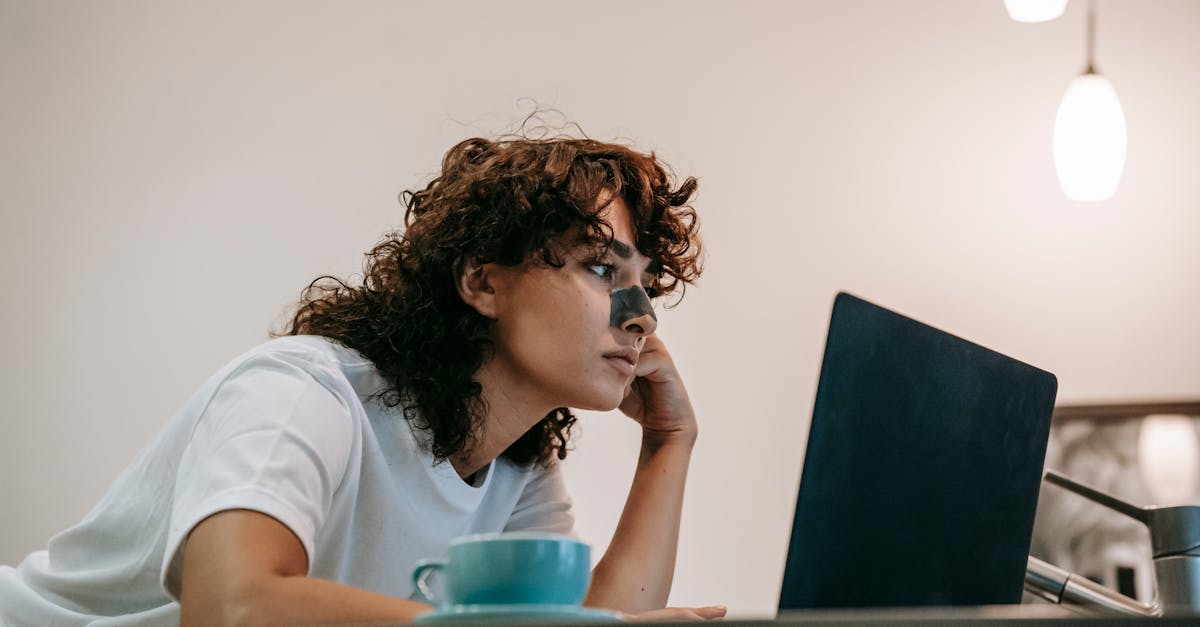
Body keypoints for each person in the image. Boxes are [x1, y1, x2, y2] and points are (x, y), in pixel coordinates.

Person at [0, 134, 727, 625]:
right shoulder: (306, 390)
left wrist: (669, 441)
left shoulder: (516, 471)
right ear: (482, 280)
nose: (641, 317)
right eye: (603, 269)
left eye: (646, 283)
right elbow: (232, 605)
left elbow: (598, 622)